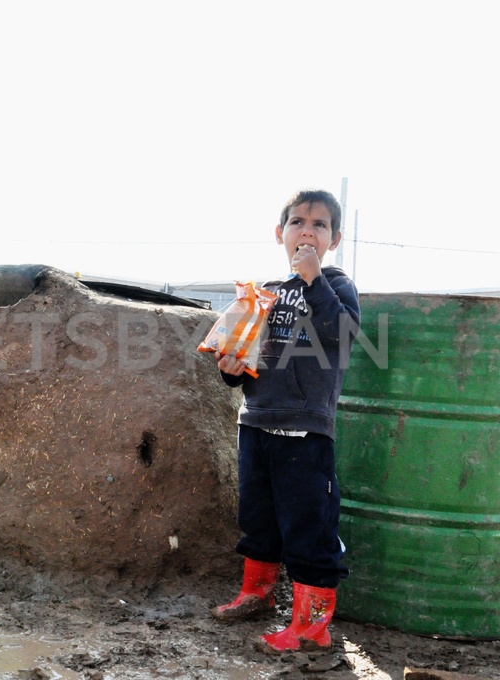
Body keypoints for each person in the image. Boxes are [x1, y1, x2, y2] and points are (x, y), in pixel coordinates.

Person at [209, 189, 359, 654]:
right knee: (258, 518)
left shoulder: (337, 285)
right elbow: (248, 355)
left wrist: (314, 279)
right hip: (256, 423)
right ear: (281, 233)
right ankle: (255, 594)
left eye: (318, 225)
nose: (306, 231)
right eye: (297, 222)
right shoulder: (268, 294)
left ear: (334, 238)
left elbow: (343, 334)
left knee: (308, 527)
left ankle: (312, 629)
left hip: (305, 431)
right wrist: (230, 368)